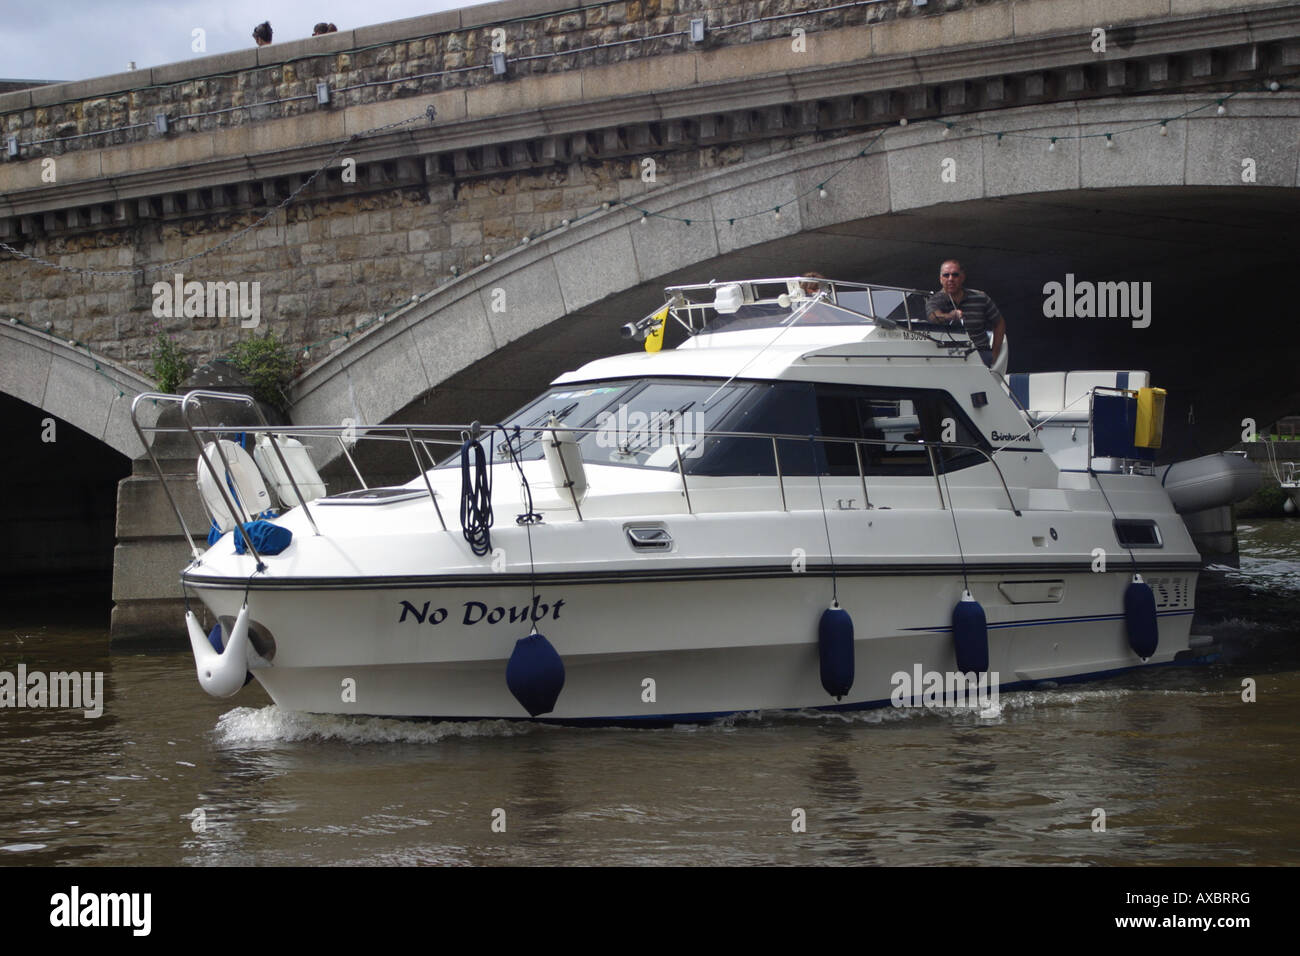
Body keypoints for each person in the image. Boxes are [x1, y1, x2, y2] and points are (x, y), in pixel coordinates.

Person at [925, 259, 1005, 367]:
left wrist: (995, 354)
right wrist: (950, 316)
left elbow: (999, 322)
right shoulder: (934, 300)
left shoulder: (980, 297)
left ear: (962, 277)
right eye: (946, 275)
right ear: (940, 279)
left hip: (979, 352)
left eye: (955, 275)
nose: (950, 279)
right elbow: (934, 317)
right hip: (948, 356)